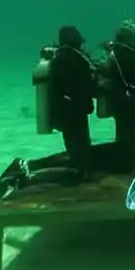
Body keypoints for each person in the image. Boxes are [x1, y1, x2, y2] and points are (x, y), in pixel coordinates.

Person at [99, 19, 135, 168]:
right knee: (131, 141)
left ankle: (122, 160)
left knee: (123, 136)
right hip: (129, 104)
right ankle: (126, 163)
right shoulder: (129, 57)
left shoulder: (117, 54)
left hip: (119, 102)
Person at [48, 25, 97, 177]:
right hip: (77, 110)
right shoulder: (79, 61)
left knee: (71, 141)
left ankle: (76, 168)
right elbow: (89, 87)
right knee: (81, 143)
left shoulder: (56, 61)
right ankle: (81, 172)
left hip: (62, 111)